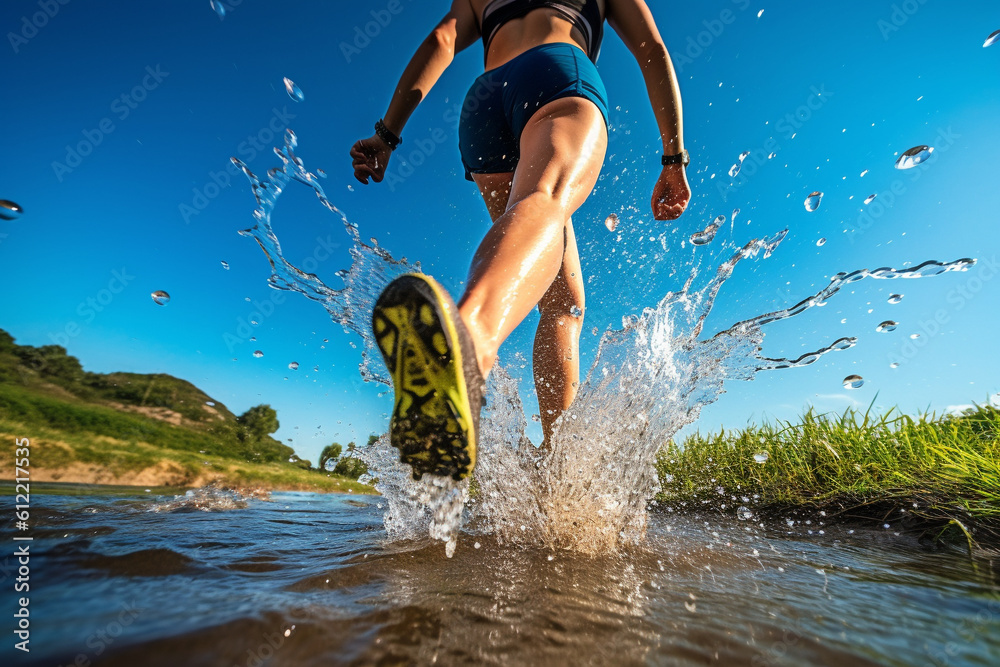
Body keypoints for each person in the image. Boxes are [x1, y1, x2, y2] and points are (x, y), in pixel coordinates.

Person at [352, 0, 691, 481]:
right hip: (557, 70)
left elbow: (443, 41)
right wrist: (673, 158)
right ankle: (469, 343)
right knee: (546, 197)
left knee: (563, 301)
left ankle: (558, 472)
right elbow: (651, 48)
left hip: (483, 100)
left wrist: (387, 135)